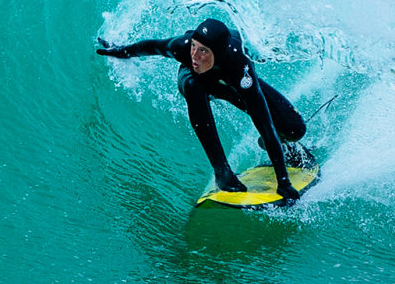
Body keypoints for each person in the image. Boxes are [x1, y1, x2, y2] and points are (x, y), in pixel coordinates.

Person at [97, 18, 306, 201]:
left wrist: (284, 181)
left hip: (228, 77)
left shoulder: (240, 70)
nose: (195, 55)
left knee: (295, 129)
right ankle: (222, 172)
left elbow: (264, 123)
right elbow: (154, 47)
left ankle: (283, 145)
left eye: (203, 51)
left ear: (217, 52)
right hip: (195, 80)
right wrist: (121, 50)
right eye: (194, 47)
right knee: (193, 86)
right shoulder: (184, 48)